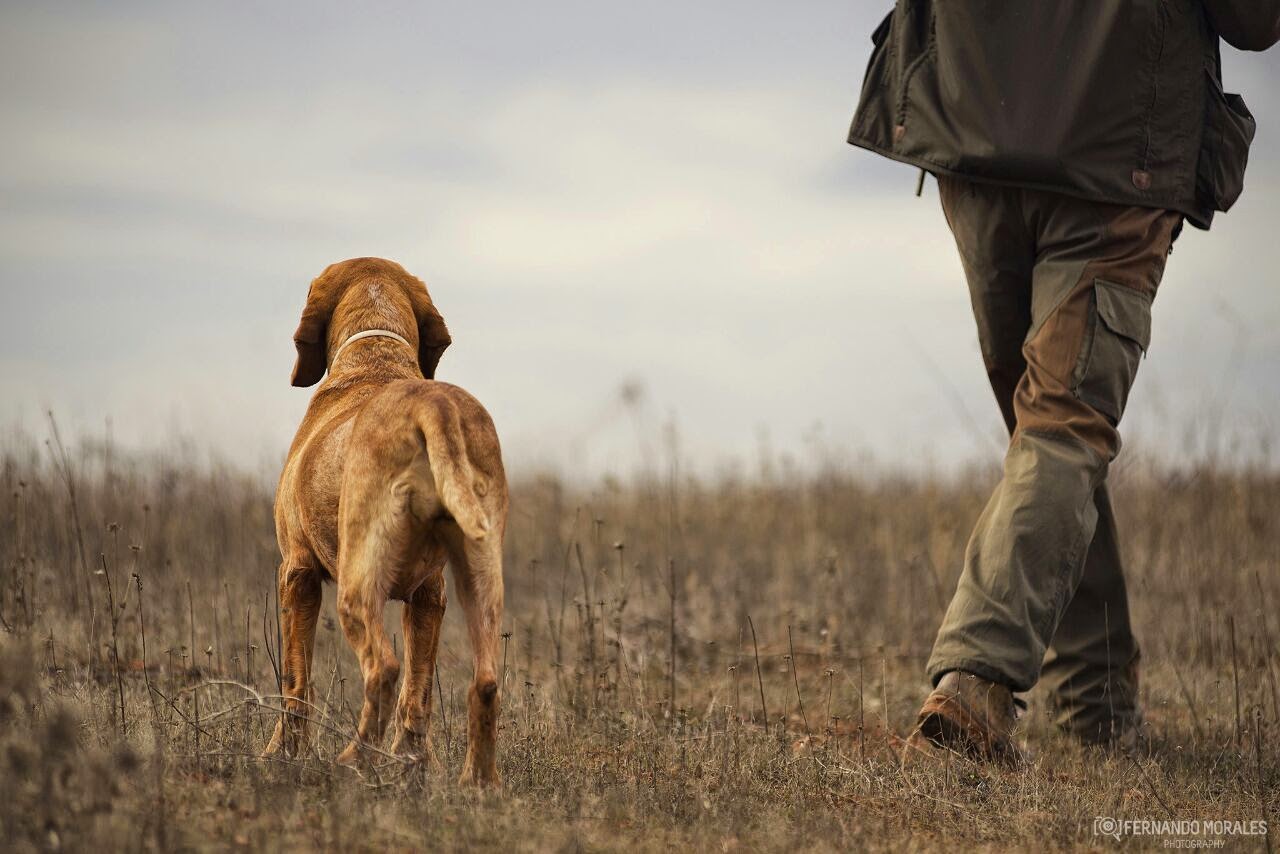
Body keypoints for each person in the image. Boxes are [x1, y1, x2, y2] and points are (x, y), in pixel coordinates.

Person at [846, 2, 1279, 762]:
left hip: (974, 127)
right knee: (1058, 430)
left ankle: (1095, 701)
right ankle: (979, 679)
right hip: (1115, 159)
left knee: (1049, 432)